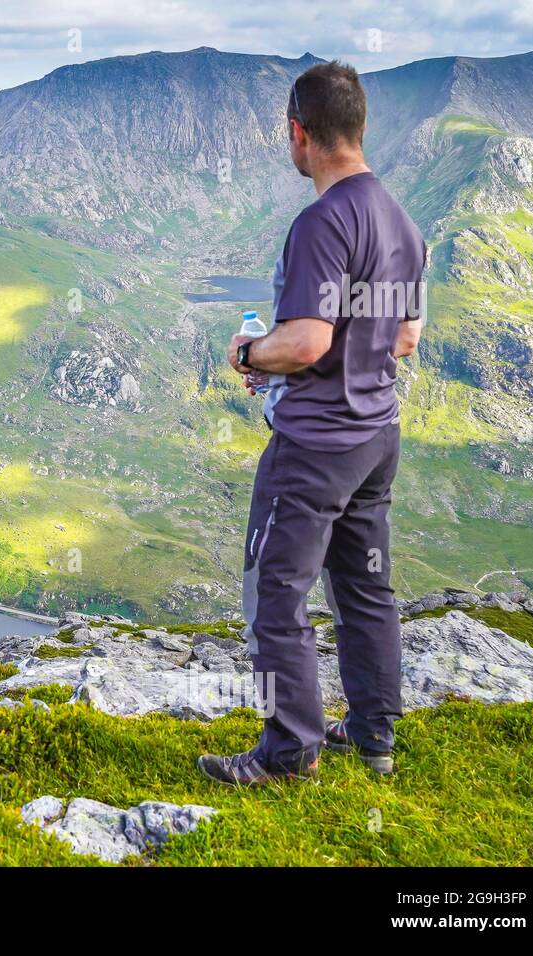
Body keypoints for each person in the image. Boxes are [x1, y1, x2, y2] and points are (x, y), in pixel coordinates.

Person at [199, 60, 427, 786]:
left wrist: (249, 351)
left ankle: (289, 753)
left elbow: (306, 343)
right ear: (359, 127)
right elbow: (405, 338)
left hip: (317, 444)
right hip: (375, 435)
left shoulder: (323, 223)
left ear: (300, 134)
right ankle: (373, 732)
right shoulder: (402, 219)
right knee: (364, 585)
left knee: (274, 593)